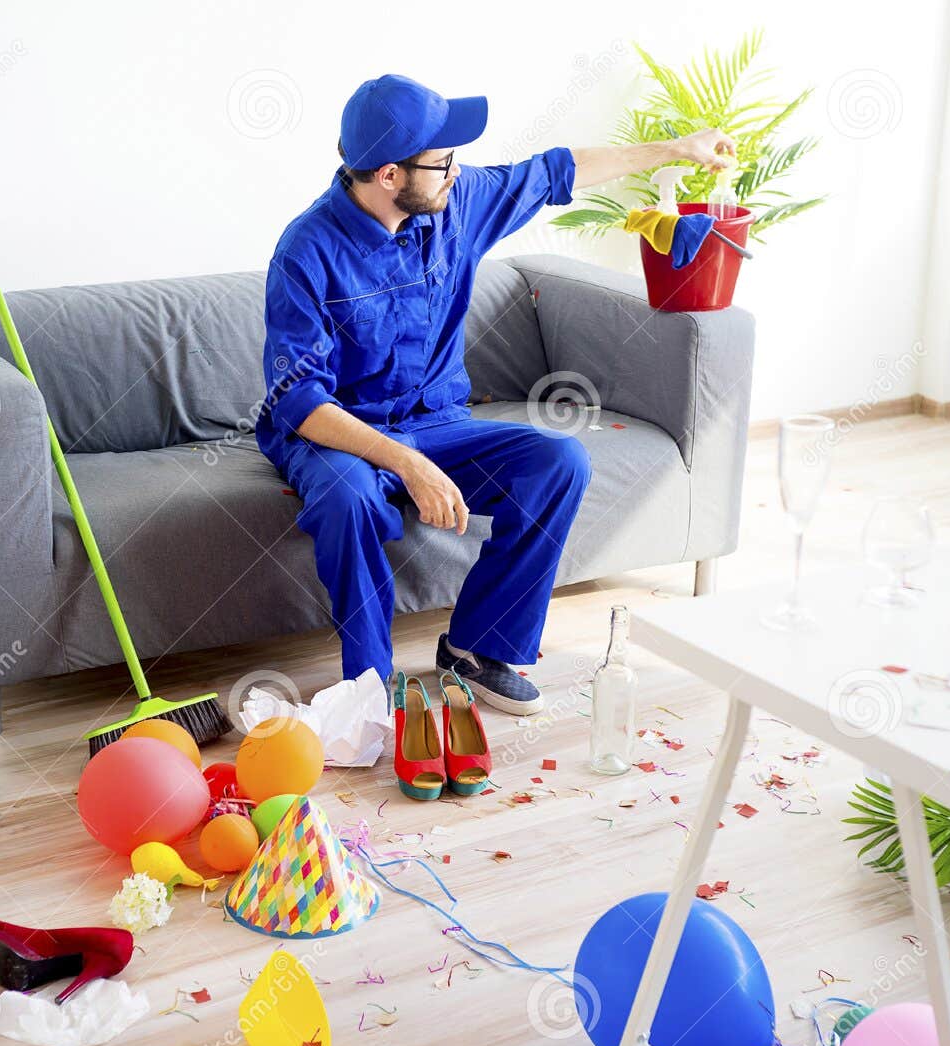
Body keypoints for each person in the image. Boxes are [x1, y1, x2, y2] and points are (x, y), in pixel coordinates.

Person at [258, 74, 733, 714]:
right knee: (348, 500)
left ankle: (477, 647)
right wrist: (406, 463)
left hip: (436, 423)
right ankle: (368, 692)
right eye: (442, 160)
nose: (457, 170)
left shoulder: (455, 203)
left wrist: (678, 148)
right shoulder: (305, 250)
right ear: (390, 176)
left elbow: (556, 170)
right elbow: (301, 403)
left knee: (558, 462)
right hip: (338, 434)